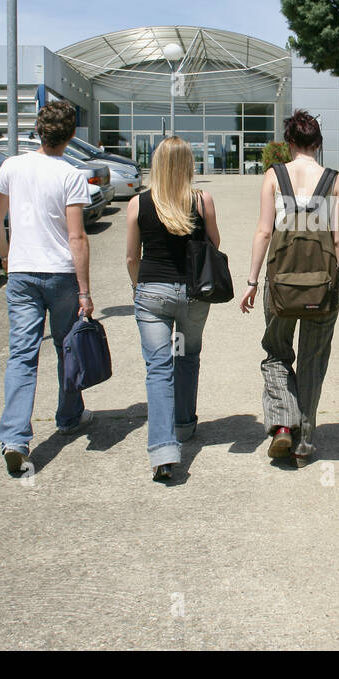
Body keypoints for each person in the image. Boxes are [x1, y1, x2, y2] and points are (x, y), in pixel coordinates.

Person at [240, 111, 339, 466]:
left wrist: (252, 280)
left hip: (280, 285)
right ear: (318, 144)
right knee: (313, 361)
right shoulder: (336, 181)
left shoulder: (274, 177)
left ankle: (283, 425)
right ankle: (304, 441)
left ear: (289, 143)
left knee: (276, 352)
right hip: (323, 288)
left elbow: (262, 232)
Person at [0, 100, 94, 476]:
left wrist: (5, 257)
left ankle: (15, 437)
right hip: (61, 274)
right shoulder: (71, 174)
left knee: (21, 355)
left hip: (21, 273)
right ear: (71, 135)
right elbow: (76, 236)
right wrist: (85, 291)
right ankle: (68, 417)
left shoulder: (11, 167)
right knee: (67, 348)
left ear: (37, 129)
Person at [125, 136, 218, 482]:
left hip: (152, 294)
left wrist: (138, 286)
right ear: (188, 166)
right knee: (187, 357)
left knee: (158, 369)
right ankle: (184, 425)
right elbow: (215, 244)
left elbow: (132, 256)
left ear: (157, 165)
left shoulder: (138, 204)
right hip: (192, 295)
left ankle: (163, 451)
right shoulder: (202, 200)